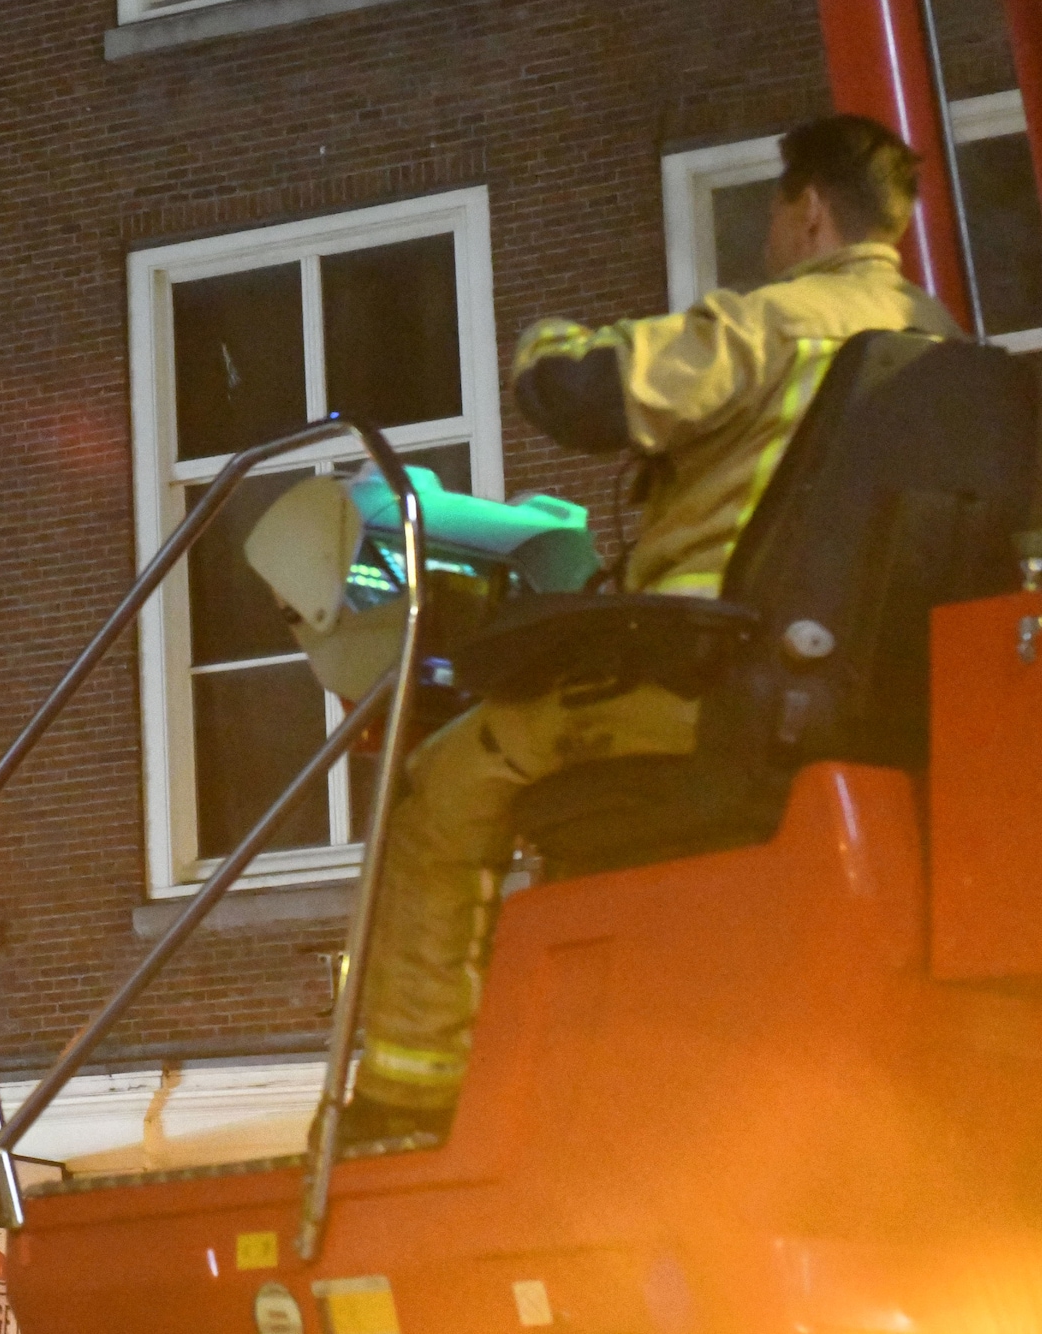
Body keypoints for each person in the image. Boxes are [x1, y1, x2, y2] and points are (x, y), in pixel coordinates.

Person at [344, 113, 962, 1141]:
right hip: (859, 703)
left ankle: (409, 1093)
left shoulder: (781, 320)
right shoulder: (943, 348)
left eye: (774, 215)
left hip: (702, 689)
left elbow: (588, 389)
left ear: (806, 210)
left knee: (443, 780)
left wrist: (541, 338)